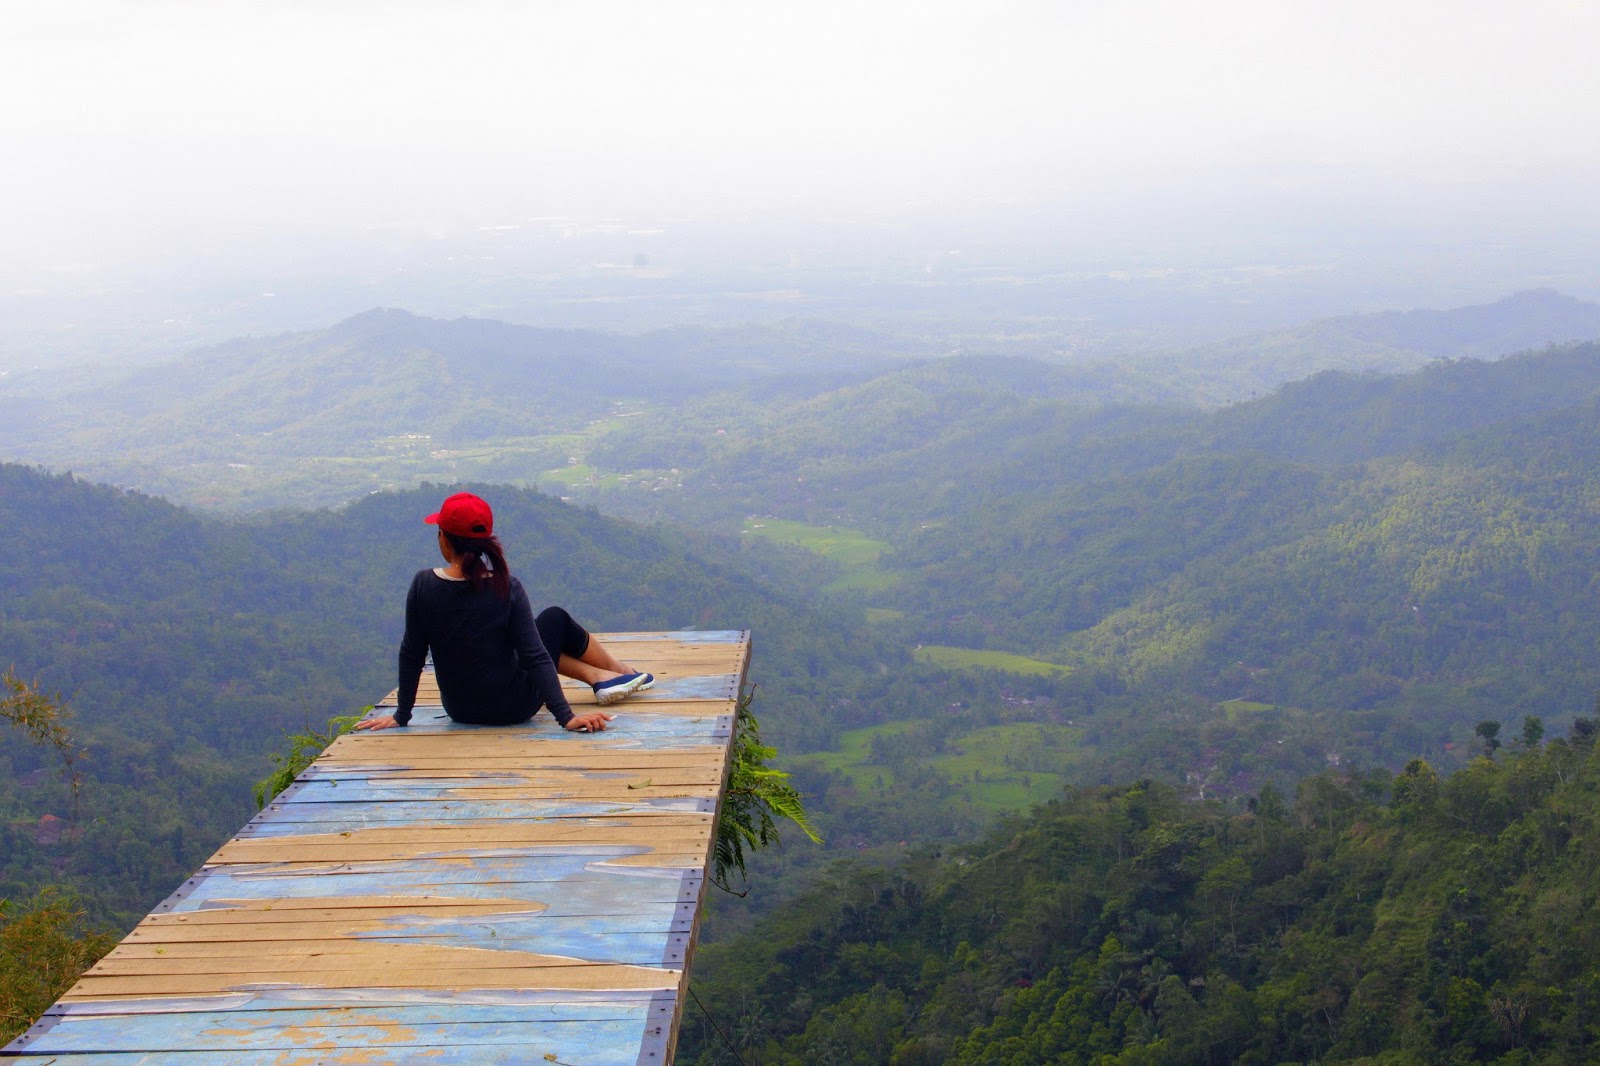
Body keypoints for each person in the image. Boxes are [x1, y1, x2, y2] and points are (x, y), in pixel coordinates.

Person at [356, 492, 652, 734]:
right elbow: (535, 656)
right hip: (515, 708)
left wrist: (402, 715)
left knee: (528, 630)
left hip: (460, 709)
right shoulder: (506, 587)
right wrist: (567, 717)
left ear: (443, 538)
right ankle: (619, 671)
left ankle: (604, 675)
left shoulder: (423, 585)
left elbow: (412, 654)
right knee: (554, 619)